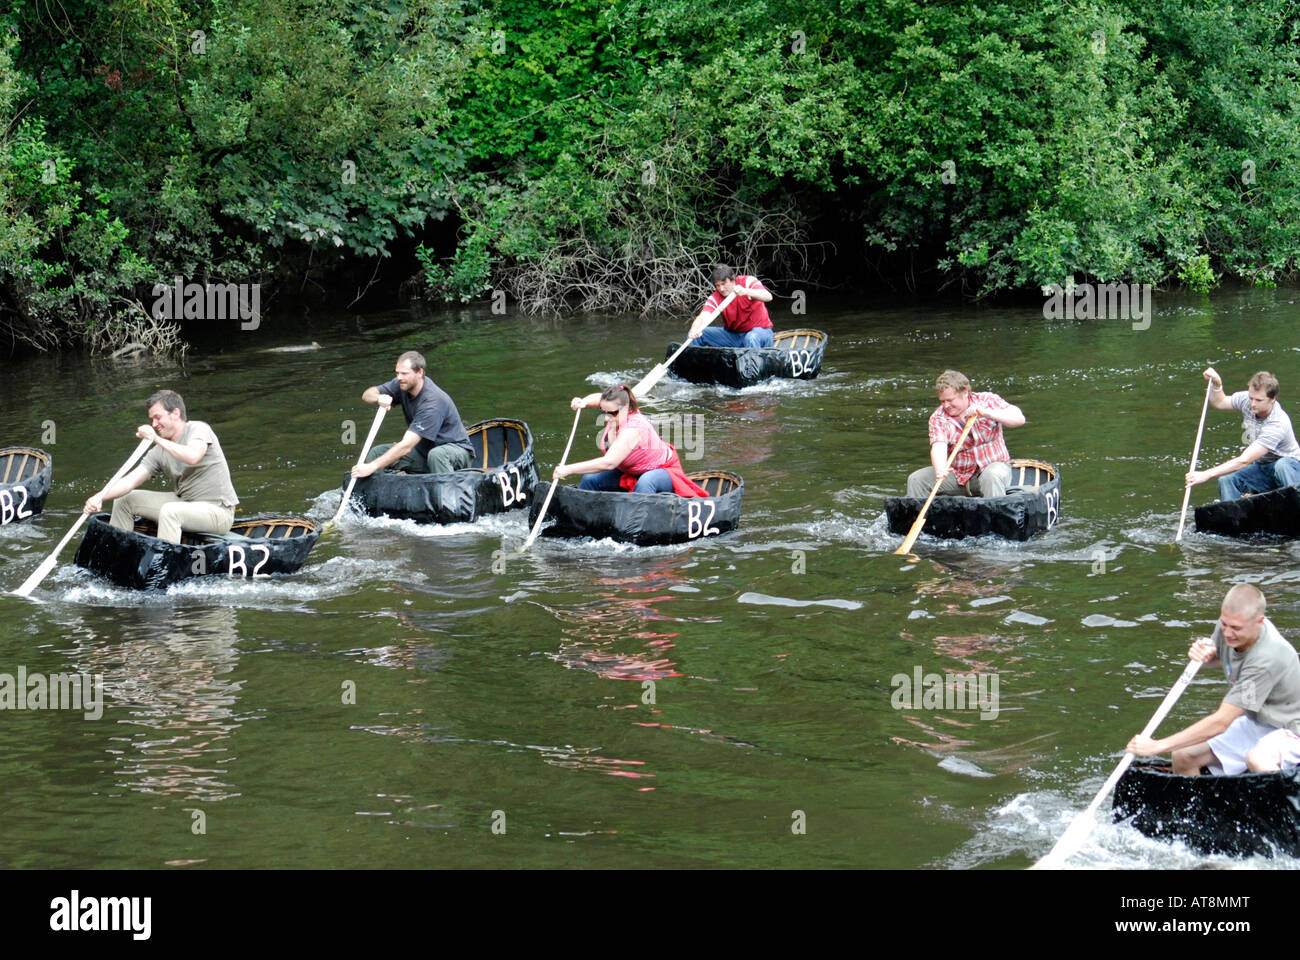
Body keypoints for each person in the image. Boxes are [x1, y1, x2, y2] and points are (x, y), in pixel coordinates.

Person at [1128, 584, 1300, 774]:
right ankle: (1194, 804)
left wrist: (1158, 746)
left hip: (1291, 728)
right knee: (1184, 755)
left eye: (1235, 628)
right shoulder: (1229, 626)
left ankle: (1276, 802)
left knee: (1258, 760)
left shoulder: (1267, 658)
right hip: (1258, 720)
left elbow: (1221, 722)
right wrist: (1203, 656)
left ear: (1259, 622)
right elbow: (1218, 659)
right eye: (1224, 624)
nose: (1227, 633)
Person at [83, 390, 239, 544]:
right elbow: (130, 481)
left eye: (158, 418)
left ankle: (163, 565)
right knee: (124, 499)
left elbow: (193, 456)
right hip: (185, 503)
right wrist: (100, 496)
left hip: (218, 512)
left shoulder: (198, 429)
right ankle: (116, 553)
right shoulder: (159, 451)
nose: (154, 424)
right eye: (151, 419)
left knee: (170, 512)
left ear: (176, 413)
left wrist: (155, 439)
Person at [555, 385, 709, 496]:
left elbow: (609, 463)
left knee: (646, 482)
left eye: (612, 414)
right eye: (603, 412)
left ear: (626, 408)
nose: (607, 417)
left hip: (662, 471)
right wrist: (583, 402)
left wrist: (568, 469)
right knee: (590, 479)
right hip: (631, 471)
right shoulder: (613, 408)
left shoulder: (633, 429)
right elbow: (599, 399)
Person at [352, 350, 474, 478]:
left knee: (437, 455)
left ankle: (448, 493)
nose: (399, 377)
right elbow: (367, 394)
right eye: (397, 373)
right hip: (425, 452)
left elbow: (407, 446)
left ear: (420, 372)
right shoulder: (402, 384)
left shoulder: (432, 403)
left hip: (456, 452)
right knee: (377, 453)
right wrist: (378, 398)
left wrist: (372, 467)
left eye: (404, 373)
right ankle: (373, 494)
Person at [905, 370, 1026, 499]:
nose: (946, 405)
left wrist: (987, 413)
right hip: (959, 475)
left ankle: (996, 516)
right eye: (942, 401)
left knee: (991, 476)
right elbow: (938, 446)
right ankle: (918, 516)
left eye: (950, 400)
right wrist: (940, 469)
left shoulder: (987, 400)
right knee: (916, 479)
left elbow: (1019, 419)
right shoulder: (938, 418)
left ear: (965, 393)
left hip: (993, 468)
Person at [1185, 368, 1300, 501]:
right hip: (1263, 468)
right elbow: (1220, 402)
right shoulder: (1246, 399)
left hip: (1292, 469)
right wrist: (1217, 385)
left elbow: (1244, 460)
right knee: (1227, 480)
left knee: (1282, 465)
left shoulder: (1278, 423)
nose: (1252, 404)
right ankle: (1233, 518)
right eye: (1251, 398)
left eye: (1259, 400)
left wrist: (1206, 474)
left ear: (1272, 399)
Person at [686, 264, 774, 349]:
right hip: (735, 337)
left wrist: (746, 291)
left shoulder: (748, 282)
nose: (721, 289)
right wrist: (694, 329)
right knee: (698, 335)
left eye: (724, 284)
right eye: (718, 285)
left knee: (751, 337)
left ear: (732, 280)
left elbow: (768, 296)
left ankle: (753, 362)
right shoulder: (715, 297)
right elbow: (703, 316)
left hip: (760, 333)